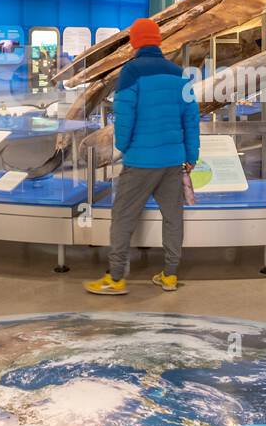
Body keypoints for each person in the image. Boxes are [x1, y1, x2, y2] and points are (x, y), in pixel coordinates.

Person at [85, 18, 200, 295]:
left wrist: (123, 147)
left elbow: (125, 117)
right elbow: (191, 117)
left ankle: (115, 278)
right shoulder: (179, 73)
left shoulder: (131, 73)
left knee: (123, 216)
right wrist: (191, 155)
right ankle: (170, 275)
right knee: (173, 217)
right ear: (158, 41)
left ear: (135, 42)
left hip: (140, 161)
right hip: (173, 161)